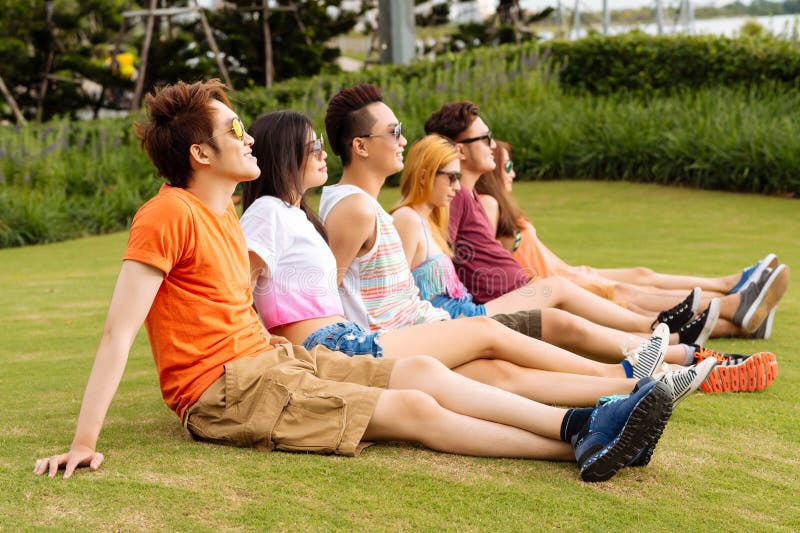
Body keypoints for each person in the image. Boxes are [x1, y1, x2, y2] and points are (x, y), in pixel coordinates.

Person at [30, 80, 675, 483]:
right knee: (416, 408)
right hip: (221, 391)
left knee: (426, 375)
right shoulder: (167, 213)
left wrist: (296, 350)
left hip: (270, 361)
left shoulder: (223, 211)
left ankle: (590, 415)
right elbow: (119, 331)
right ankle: (582, 439)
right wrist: (84, 442)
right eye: (232, 129)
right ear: (200, 154)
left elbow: (248, 305)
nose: (247, 134)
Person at [239, 110, 714, 407]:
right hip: (381, 335)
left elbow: (328, 289)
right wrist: (272, 356)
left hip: (395, 329)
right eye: (394, 131)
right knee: (524, 319)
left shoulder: (313, 213)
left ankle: (647, 379)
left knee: (503, 371)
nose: (402, 139)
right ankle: (638, 367)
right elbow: (317, 291)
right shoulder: (335, 210)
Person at [393, 134, 777, 394]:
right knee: (562, 300)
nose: (459, 186)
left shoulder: (430, 220)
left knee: (568, 315)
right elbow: (389, 298)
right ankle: (681, 349)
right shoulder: (407, 220)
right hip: (460, 319)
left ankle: (683, 353)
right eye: (452, 177)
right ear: (426, 174)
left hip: (466, 315)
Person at [423, 100, 790, 341]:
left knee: (630, 294)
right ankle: (724, 310)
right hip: (516, 296)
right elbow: (445, 256)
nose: (492, 143)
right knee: (627, 300)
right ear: (458, 148)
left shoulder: (467, 196)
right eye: (484, 137)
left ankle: (730, 313)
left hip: (531, 287)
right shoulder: (456, 201)